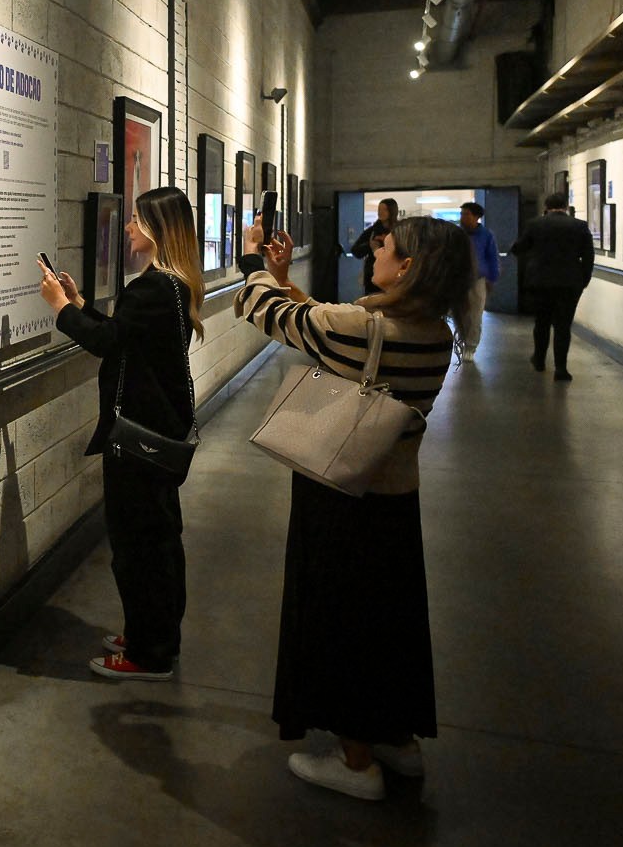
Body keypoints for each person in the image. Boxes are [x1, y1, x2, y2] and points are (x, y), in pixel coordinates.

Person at [235, 215, 470, 800]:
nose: (374, 253)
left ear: (408, 267)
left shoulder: (364, 329)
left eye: (384, 246)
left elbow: (274, 317)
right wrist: (286, 277)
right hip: (395, 499)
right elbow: (332, 325)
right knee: (388, 625)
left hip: (341, 498)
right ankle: (397, 740)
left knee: (342, 624)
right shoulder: (436, 333)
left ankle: (355, 761)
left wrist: (253, 266)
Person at [40, 187, 204, 681]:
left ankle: (148, 653)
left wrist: (60, 310)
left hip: (139, 440)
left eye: (135, 220)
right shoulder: (172, 286)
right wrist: (80, 303)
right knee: (157, 540)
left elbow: (107, 343)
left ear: (156, 229)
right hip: (157, 436)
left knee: (138, 547)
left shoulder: (152, 288)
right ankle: (151, 633)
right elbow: (125, 337)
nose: (128, 228)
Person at [510, 192, 594, 381]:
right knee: (563, 326)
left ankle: (539, 360)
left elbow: (518, 248)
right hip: (569, 283)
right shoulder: (579, 226)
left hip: (539, 282)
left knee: (542, 322)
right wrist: (583, 280)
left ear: (546, 206)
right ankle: (561, 368)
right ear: (566, 206)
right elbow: (588, 256)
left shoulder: (535, 224)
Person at [459, 202, 501, 351]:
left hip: (478, 279)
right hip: (458, 279)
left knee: (475, 315)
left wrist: (492, 278)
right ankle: (462, 340)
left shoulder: (486, 235)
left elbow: (492, 258)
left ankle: (471, 346)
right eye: (461, 214)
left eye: (466, 214)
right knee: (460, 314)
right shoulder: (457, 234)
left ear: (477, 217)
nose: (462, 217)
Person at [349, 198, 399, 296]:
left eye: (384, 209)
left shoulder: (399, 230)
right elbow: (356, 250)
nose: (380, 212)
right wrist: (371, 246)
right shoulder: (372, 231)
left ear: (392, 211)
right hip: (373, 274)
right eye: (379, 209)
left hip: (393, 274)